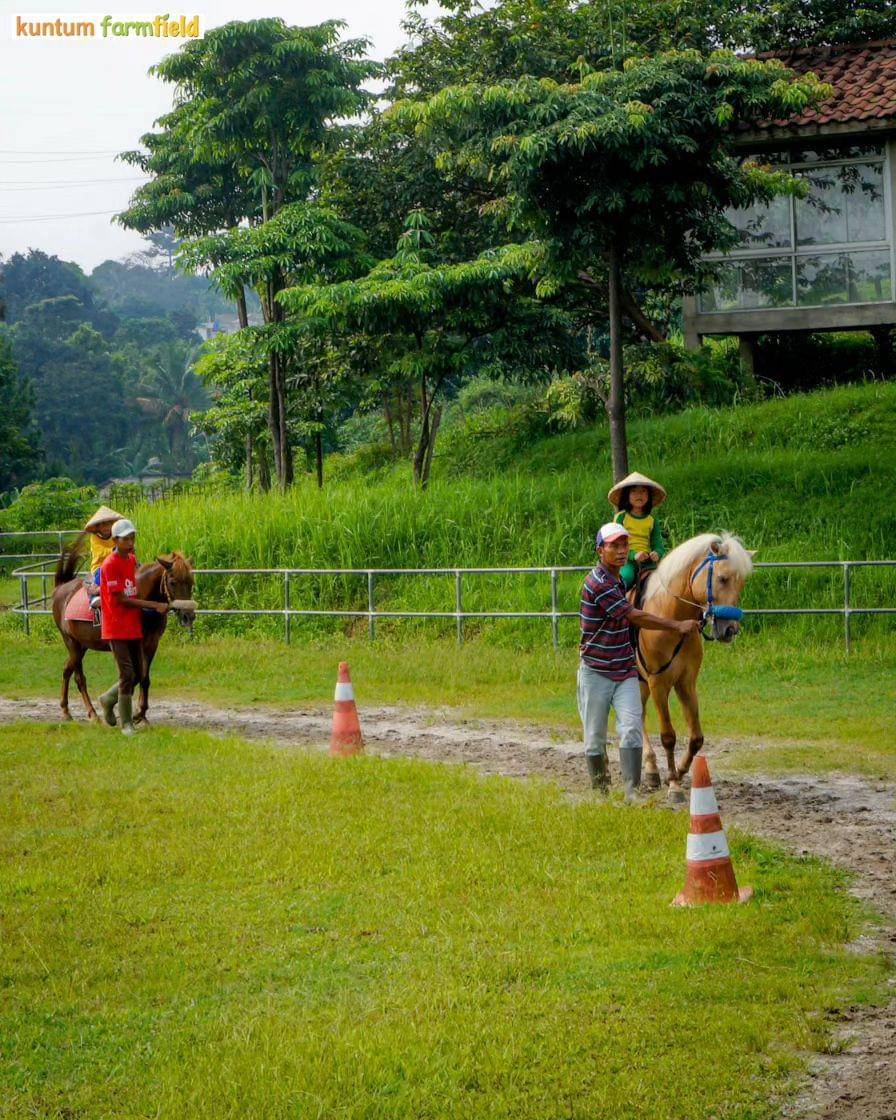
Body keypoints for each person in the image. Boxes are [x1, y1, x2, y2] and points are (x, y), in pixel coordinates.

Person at [578, 522, 700, 801]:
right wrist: (676, 625)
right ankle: (600, 791)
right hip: (596, 671)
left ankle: (631, 791)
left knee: (632, 729)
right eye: (614, 546)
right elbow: (633, 615)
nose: (621, 551)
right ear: (600, 550)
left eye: (624, 545)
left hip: (624, 669)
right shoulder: (598, 583)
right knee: (595, 737)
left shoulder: (620, 581)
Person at [97, 518, 168, 736]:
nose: (130, 542)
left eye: (132, 538)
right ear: (115, 541)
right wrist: (153, 605)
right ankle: (126, 723)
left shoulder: (131, 560)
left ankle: (108, 698)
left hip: (133, 625)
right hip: (116, 626)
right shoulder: (109, 565)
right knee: (127, 674)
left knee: (139, 672)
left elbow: (133, 589)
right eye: (125, 539)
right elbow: (122, 599)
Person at [608, 472, 668, 591]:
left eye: (643, 491)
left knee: (665, 581)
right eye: (634, 491)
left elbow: (658, 545)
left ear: (648, 495)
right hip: (626, 561)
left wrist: (657, 553)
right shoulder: (621, 517)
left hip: (648, 562)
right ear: (627, 495)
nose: (639, 495)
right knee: (626, 577)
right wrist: (634, 555)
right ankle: (616, 600)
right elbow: (616, 544)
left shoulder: (652, 520)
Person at [83, 505, 124, 623]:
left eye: (109, 523)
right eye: (103, 524)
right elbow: (100, 552)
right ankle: (94, 597)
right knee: (102, 572)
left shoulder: (116, 535)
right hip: (100, 566)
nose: (106, 527)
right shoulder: (94, 538)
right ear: (98, 526)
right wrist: (115, 550)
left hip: (118, 564)